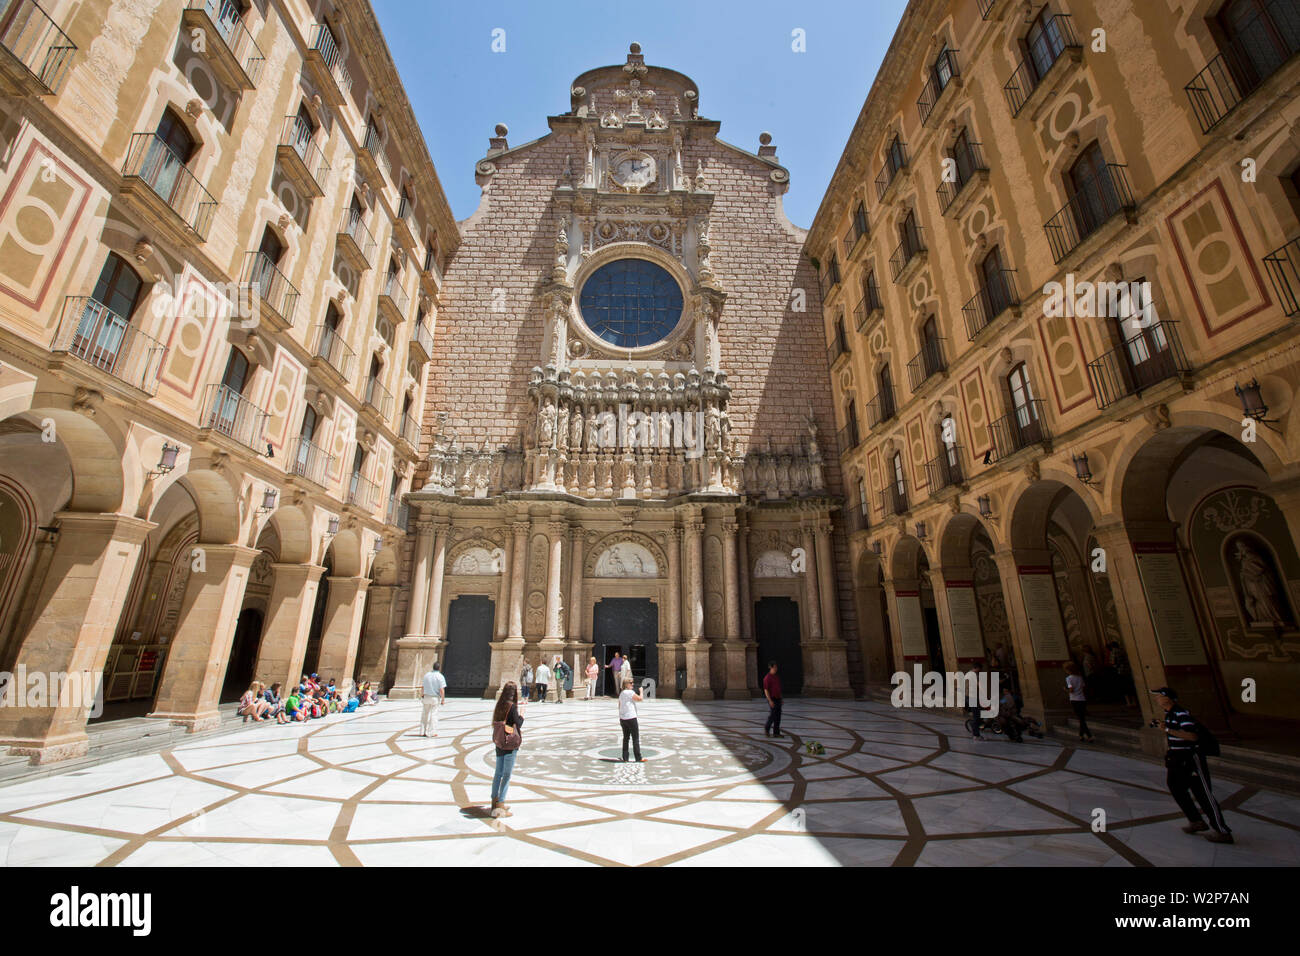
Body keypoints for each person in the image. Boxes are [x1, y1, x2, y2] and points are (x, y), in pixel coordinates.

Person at [1150, 686, 1232, 843]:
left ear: (1167, 698)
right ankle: (1196, 821)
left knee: (1203, 793)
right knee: (1175, 787)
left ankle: (1222, 830)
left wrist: (1166, 729)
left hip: (1190, 759)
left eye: (1159, 696)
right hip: (1176, 758)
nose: (1156, 698)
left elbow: (1193, 736)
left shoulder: (1181, 713)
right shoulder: (1170, 714)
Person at [491, 682, 524, 818]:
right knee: (506, 775)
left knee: (498, 773)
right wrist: (522, 714)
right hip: (510, 744)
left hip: (499, 743)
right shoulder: (512, 706)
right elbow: (519, 723)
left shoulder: (499, 705)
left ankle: (495, 801)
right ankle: (501, 805)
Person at [1064, 661, 1093, 742]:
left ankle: (1089, 735)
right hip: (1082, 699)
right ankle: (1081, 735)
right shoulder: (1080, 677)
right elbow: (1083, 688)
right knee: (1081, 718)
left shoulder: (1068, 678)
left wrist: (1065, 690)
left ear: (1068, 670)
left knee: (1081, 719)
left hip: (1074, 700)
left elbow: (1071, 690)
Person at [619, 678, 644, 762]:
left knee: (626, 738)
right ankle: (638, 757)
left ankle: (625, 758)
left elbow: (619, 705)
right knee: (635, 738)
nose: (632, 684)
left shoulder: (621, 693)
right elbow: (640, 699)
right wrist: (641, 691)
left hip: (623, 718)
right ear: (626, 684)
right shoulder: (630, 692)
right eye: (631, 683)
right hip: (631, 717)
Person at [420, 661, 447, 737]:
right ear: (439, 668)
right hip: (434, 698)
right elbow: (441, 689)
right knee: (434, 715)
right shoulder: (440, 676)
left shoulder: (426, 675)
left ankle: (423, 731)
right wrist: (443, 699)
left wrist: (422, 695)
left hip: (426, 696)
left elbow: (423, 687)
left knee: (425, 714)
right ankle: (432, 732)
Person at [763, 661, 783, 738]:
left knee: (778, 716)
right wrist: (770, 700)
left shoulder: (776, 677)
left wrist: (781, 698)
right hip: (772, 698)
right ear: (771, 667)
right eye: (774, 667)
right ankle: (767, 729)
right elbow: (766, 690)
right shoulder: (767, 678)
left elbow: (778, 688)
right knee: (772, 715)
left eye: (776, 667)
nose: (776, 668)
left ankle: (776, 733)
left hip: (778, 698)